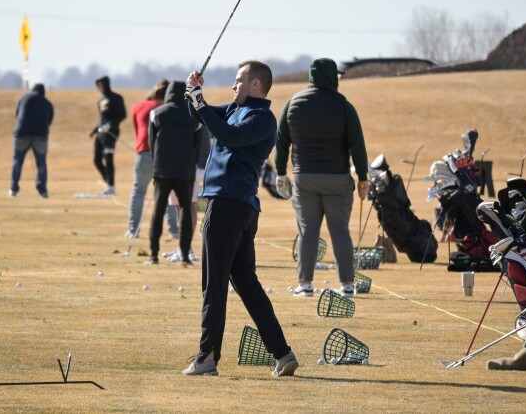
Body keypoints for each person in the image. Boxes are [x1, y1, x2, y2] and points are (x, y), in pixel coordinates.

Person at [181, 60, 297, 378]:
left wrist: (199, 100)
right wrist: (191, 90)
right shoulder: (234, 108)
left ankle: (207, 356)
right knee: (246, 284)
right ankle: (283, 355)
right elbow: (199, 113)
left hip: (230, 208)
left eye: (238, 80)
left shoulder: (262, 119)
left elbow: (228, 136)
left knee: (213, 284)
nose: (234, 86)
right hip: (236, 207)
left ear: (255, 84)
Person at [273, 57, 369, 298]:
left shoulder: (293, 103)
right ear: (330, 77)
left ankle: (305, 285)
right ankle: (347, 285)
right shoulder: (343, 105)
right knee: (340, 231)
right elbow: (357, 145)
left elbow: (281, 142)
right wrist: (363, 178)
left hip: (304, 177)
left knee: (308, 231)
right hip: (337, 178)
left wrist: (281, 173)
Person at [146, 81, 203, 265]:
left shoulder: (157, 113)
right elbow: (197, 143)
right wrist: (192, 163)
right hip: (185, 170)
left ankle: (153, 254)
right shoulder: (193, 115)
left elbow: (151, 143)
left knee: (159, 210)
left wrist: (157, 164)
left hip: (162, 170)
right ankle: (185, 254)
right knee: (186, 210)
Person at [126, 80, 180, 240]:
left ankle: (133, 230)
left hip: (143, 152)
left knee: (138, 191)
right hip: (163, 154)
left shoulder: (137, 106)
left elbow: (138, 132)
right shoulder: (168, 109)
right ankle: (174, 230)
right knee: (167, 192)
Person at [9, 83, 54, 198]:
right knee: (41, 162)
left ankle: (14, 189)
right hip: (40, 135)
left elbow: (17, 114)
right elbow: (49, 119)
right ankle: (42, 190)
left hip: (22, 133)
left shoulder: (23, 98)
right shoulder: (47, 103)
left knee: (18, 161)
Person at [88, 76, 126, 195]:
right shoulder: (100, 100)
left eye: (101, 85)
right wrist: (94, 130)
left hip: (111, 133)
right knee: (97, 160)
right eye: (98, 86)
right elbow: (102, 120)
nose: (100, 88)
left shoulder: (117, 98)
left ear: (107, 84)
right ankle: (109, 183)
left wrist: (111, 125)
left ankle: (111, 185)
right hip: (100, 134)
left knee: (108, 159)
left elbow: (122, 115)